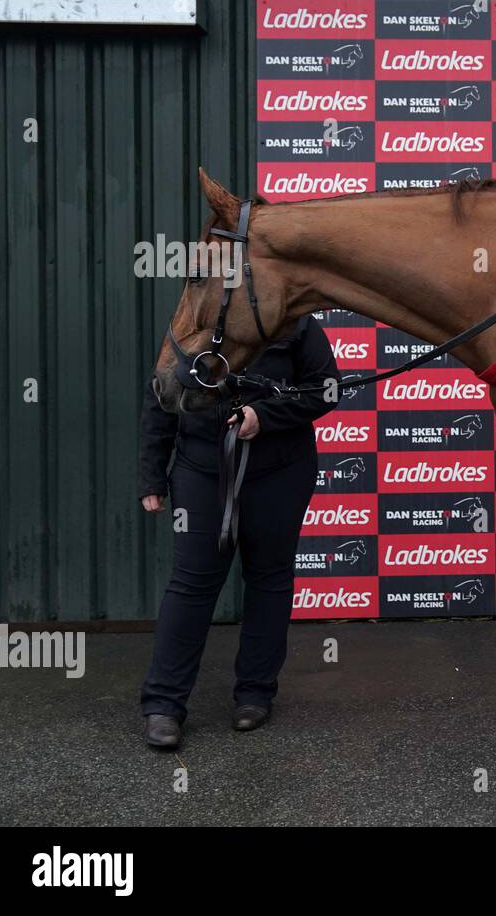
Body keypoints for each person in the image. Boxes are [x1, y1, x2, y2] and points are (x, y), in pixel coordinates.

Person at [137, 315, 339, 749]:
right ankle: (164, 705)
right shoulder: (191, 319)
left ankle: (254, 695)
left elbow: (327, 389)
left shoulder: (298, 324)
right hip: (200, 471)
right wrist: (152, 475)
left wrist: (266, 415)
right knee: (191, 583)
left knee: (269, 578)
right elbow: (161, 396)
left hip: (281, 472)